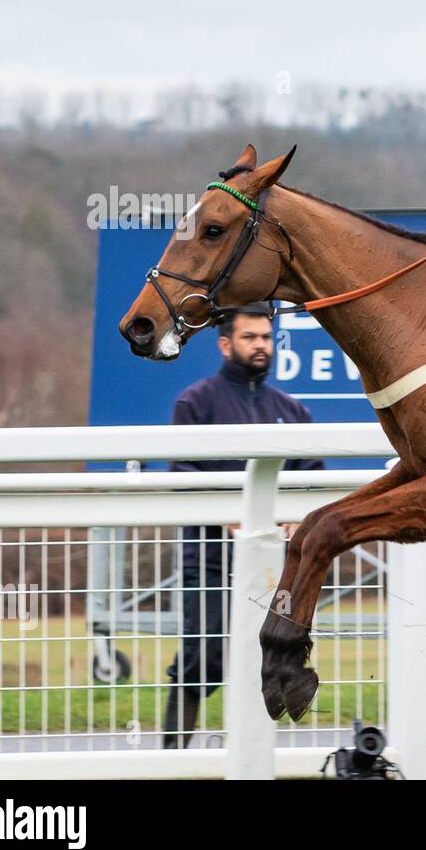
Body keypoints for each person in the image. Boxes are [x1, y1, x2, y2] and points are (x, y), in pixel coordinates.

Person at [162, 303, 324, 749]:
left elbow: (313, 476)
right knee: (204, 660)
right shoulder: (195, 402)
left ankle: (253, 758)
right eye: (250, 337)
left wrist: (298, 515)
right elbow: (182, 475)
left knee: (270, 661)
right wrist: (230, 514)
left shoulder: (291, 411)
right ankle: (171, 758)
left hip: (276, 569)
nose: (260, 345)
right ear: (225, 344)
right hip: (211, 560)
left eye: (266, 338)